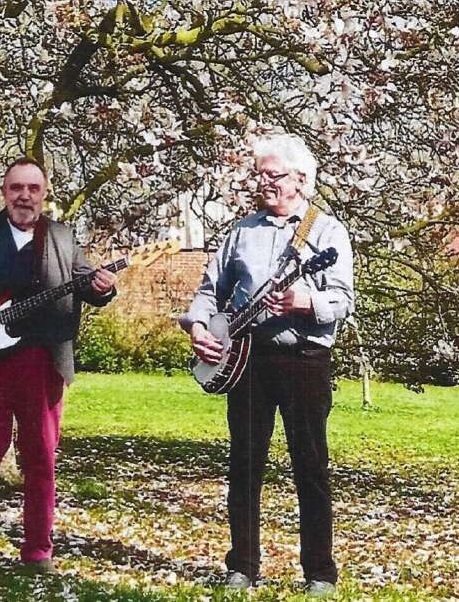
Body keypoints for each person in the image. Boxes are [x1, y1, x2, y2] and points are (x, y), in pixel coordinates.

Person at [181, 133, 354, 598]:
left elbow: (342, 300)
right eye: (260, 175)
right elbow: (207, 292)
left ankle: (320, 573)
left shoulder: (327, 232)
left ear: (300, 179)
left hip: (305, 360)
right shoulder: (242, 231)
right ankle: (242, 566)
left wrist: (304, 301)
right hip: (248, 363)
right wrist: (198, 327)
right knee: (245, 464)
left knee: (311, 467)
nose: (263, 183)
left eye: (272, 175)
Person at [0, 157, 118, 577]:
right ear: (4, 193)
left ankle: (37, 553)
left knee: (40, 461)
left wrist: (105, 288)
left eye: (33, 188)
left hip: (42, 363)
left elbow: (90, 286)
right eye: (16, 188)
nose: (25, 196)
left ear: (44, 193)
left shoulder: (63, 239)